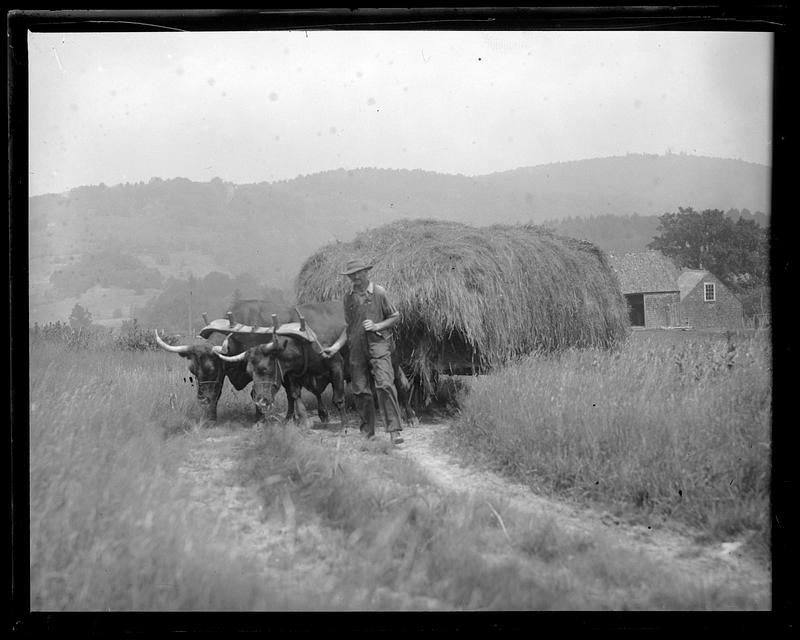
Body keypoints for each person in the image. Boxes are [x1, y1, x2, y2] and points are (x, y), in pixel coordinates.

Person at [322, 258, 405, 445]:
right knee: (360, 390)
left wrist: (377, 325)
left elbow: (395, 316)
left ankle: (394, 432)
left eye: (359, 273)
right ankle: (368, 434)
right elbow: (348, 326)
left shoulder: (379, 292)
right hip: (356, 348)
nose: (355, 277)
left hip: (378, 346)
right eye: (352, 274)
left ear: (366, 272)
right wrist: (335, 347)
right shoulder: (348, 298)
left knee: (385, 385)